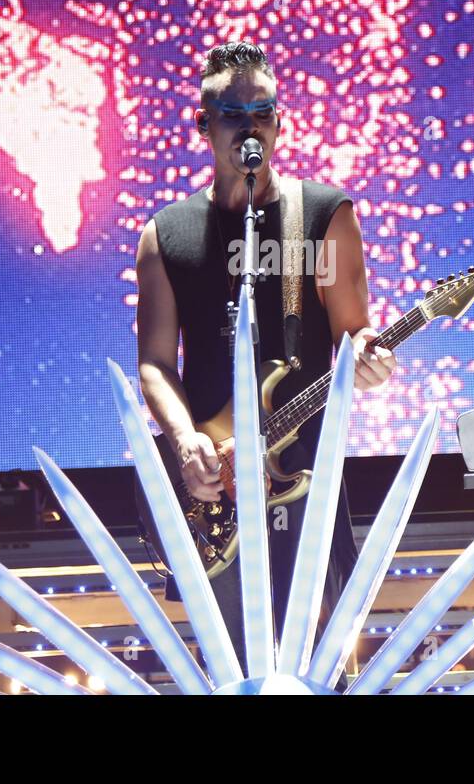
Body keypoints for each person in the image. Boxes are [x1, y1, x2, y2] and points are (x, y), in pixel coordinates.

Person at [135, 41, 396, 673]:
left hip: (306, 481)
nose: (251, 125)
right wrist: (183, 439)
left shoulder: (324, 216)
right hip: (214, 489)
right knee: (232, 674)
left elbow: (353, 335)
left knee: (320, 671)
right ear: (204, 124)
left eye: (264, 111)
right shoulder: (164, 235)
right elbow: (154, 363)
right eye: (233, 112)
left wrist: (368, 356)